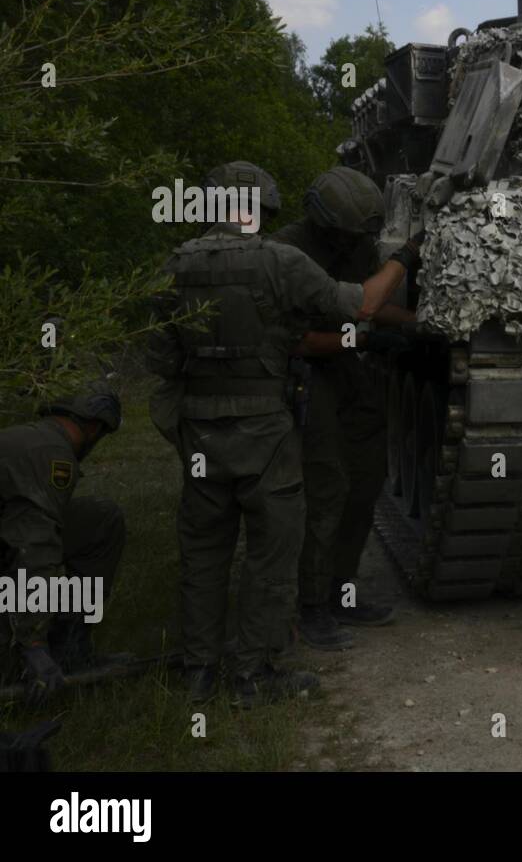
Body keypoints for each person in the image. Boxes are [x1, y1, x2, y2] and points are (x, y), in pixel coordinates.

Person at [146, 161, 423, 708]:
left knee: (204, 554)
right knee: (271, 555)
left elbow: (159, 362)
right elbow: (362, 305)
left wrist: (187, 423)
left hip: (201, 433)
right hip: (264, 431)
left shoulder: (171, 268)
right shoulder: (278, 261)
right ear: (259, 209)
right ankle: (253, 673)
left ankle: (199, 672)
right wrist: (404, 259)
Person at [270, 167, 411, 650]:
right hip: (310, 378)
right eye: (353, 233)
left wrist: (419, 324)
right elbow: (300, 342)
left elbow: (366, 301)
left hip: (350, 375)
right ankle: (312, 607)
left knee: (365, 483)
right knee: (326, 491)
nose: (359, 242)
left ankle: (341, 592)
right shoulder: (285, 253)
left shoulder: (352, 243)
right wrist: (368, 334)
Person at [0, 382, 126, 703]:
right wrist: (34, 647)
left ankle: (70, 641)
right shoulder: (54, 456)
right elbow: (35, 550)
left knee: (100, 520)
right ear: (95, 426)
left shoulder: (27, 436)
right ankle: (56, 649)